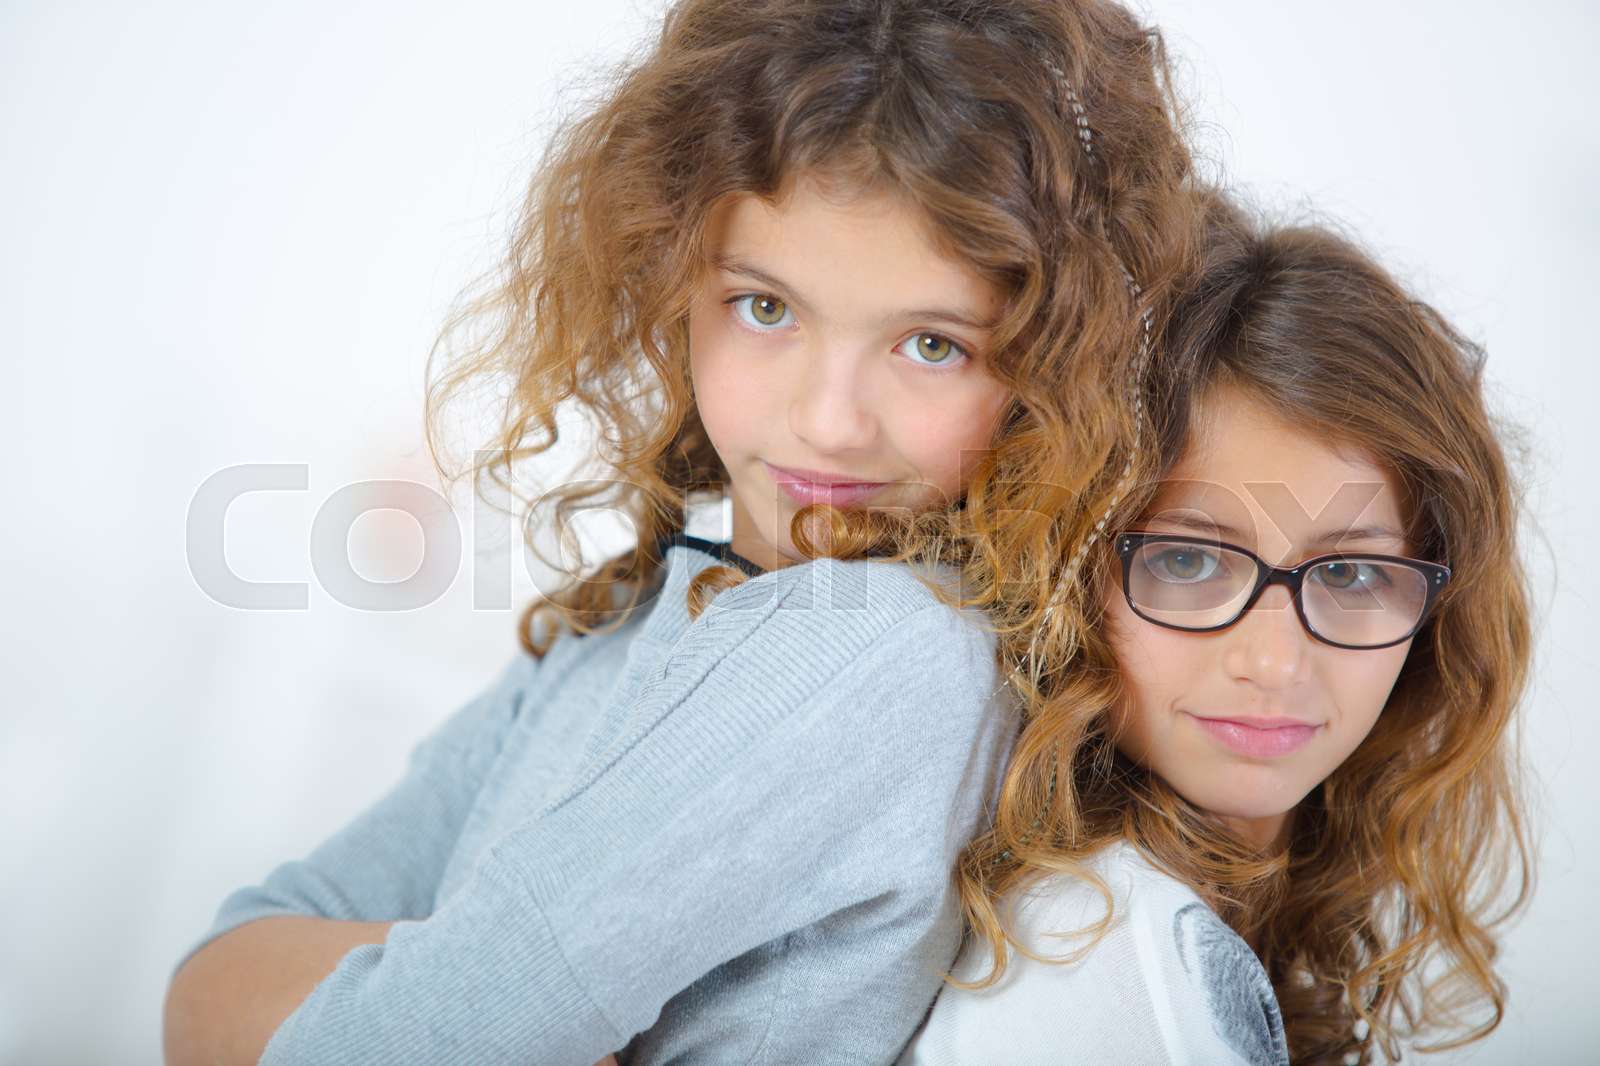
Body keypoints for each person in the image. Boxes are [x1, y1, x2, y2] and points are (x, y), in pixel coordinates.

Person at [161, 1, 1202, 1063]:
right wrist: (460, 983)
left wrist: (440, 991)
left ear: (1051, 357)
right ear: (670, 281)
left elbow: (368, 1041)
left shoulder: (872, 647)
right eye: (764, 308)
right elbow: (208, 985)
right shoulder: (623, 625)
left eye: (931, 344)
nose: (829, 420)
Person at [906, 195, 1534, 1065]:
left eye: (1351, 573)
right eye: (1190, 563)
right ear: (1067, 575)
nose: (1276, 662)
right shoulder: (1114, 960)